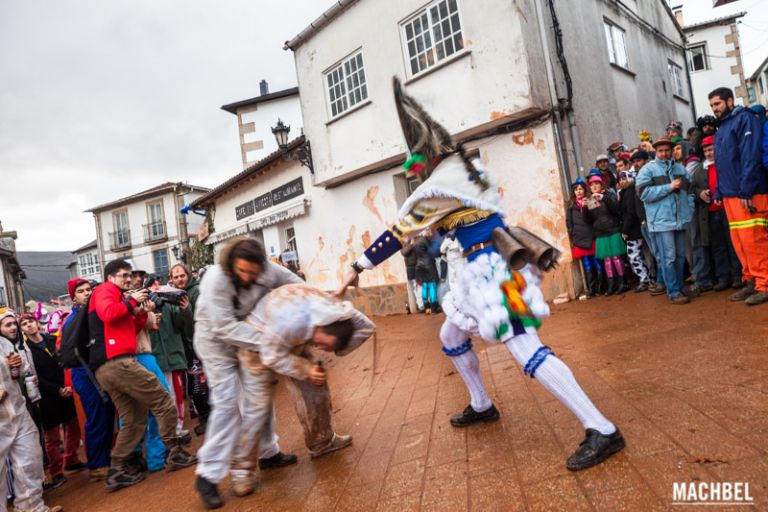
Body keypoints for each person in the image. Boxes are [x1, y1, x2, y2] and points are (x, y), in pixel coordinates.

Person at [337, 77, 624, 474]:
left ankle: (601, 428)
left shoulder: (439, 186)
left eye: (418, 165)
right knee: (451, 336)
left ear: (430, 159)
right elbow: (457, 220)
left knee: (526, 348)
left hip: (492, 271)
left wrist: (356, 268)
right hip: (487, 264)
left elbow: (397, 233)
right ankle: (481, 405)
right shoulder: (468, 170)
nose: (416, 173)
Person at [228, 284, 374, 499]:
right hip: (257, 346)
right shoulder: (292, 322)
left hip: (290, 340)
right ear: (319, 327)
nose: (323, 350)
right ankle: (241, 472)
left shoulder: (333, 310)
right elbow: (271, 356)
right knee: (257, 408)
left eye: (326, 348)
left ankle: (322, 442)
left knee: (317, 383)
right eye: (324, 345)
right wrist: (305, 369)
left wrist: (340, 348)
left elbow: (367, 326)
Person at [193, 237, 302, 509]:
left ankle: (268, 453)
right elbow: (224, 327)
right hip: (216, 343)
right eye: (242, 272)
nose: (247, 278)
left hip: (251, 339)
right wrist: (271, 340)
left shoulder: (268, 270)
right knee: (228, 404)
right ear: (231, 265)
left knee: (260, 397)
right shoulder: (215, 279)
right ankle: (207, 475)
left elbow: (298, 287)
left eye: (253, 273)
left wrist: (318, 305)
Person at [89, 259, 196, 491]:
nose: (128, 279)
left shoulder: (118, 295)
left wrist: (141, 313)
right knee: (163, 400)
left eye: (130, 275)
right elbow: (108, 314)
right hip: (117, 362)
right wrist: (130, 301)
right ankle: (173, 452)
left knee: (133, 419)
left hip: (109, 367)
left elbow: (128, 328)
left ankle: (117, 470)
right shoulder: (105, 291)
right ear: (110, 278)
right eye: (123, 275)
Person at [1, 309, 65, 512]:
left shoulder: (10, 345)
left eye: (14, 324)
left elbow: (20, 373)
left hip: (18, 410)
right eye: (7, 324)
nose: (12, 327)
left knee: (29, 459)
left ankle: (32, 508)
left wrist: (16, 368)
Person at [710, 87, 768, 305]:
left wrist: (746, 188)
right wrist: (719, 191)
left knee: (755, 241)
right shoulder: (723, 127)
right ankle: (751, 281)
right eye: (712, 105)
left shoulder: (746, 119)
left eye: (717, 104)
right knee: (741, 243)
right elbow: (724, 163)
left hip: (748, 193)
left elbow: (750, 155)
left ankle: (765, 284)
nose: (715, 109)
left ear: (730, 101)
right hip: (730, 194)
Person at [20, 314, 84, 489]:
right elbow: (35, 376)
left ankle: (72, 459)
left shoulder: (52, 339)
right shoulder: (26, 350)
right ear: (22, 330)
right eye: (24, 324)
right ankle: (56, 473)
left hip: (66, 388)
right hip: (47, 395)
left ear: (37, 323)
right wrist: (58, 390)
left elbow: (67, 360)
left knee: (73, 425)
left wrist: (68, 385)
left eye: (30, 322)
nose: (29, 326)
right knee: (52, 436)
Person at [64, 278, 114, 483]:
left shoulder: (92, 313)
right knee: (95, 418)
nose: (86, 293)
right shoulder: (72, 320)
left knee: (108, 414)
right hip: (83, 373)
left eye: (88, 290)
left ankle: (106, 459)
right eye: (81, 291)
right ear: (73, 296)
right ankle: (97, 465)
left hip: (98, 370)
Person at [636, 137, 695, 305]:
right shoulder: (648, 170)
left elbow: (690, 189)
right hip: (661, 222)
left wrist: (689, 208)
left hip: (680, 219)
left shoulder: (680, 168)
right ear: (656, 151)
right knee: (668, 257)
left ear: (671, 150)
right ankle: (673, 291)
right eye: (660, 151)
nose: (664, 153)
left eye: (667, 150)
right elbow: (643, 194)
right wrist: (669, 187)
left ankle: (679, 287)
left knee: (679, 256)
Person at [146, 277, 192, 439]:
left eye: (158, 283)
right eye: (152, 285)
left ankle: (177, 430)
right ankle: (165, 434)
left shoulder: (170, 303)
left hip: (171, 358)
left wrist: (185, 309)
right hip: (154, 359)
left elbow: (181, 324)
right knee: (160, 399)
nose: (157, 287)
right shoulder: (143, 306)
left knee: (176, 394)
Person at [169, 263, 210, 436]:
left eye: (182, 276)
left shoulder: (196, 292)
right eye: (176, 277)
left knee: (202, 384)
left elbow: (199, 321)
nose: (179, 279)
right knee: (195, 385)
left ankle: (209, 419)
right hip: (186, 348)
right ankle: (205, 417)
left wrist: (186, 311)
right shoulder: (172, 296)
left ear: (188, 275)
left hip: (200, 345)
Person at [701, 136, 743, 291]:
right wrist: (700, 192)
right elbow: (694, 186)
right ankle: (723, 277)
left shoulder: (724, 164)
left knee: (733, 244)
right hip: (711, 212)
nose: (708, 153)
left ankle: (738, 275)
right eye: (705, 150)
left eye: (710, 149)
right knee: (718, 246)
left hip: (727, 209)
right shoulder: (702, 168)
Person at [676, 141, 712, 296]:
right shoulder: (683, 164)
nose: (675, 151)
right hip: (687, 210)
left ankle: (703, 279)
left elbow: (684, 184)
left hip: (694, 209)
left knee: (697, 242)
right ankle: (699, 276)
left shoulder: (693, 163)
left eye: (678, 148)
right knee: (692, 244)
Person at [584, 174, 629, 295]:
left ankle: (622, 283)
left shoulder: (609, 195)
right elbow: (588, 220)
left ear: (601, 184)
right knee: (607, 260)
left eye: (596, 184)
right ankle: (611, 285)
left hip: (613, 230)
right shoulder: (591, 200)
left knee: (616, 257)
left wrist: (603, 198)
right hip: (600, 233)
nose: (594, 187)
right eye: (591, 185)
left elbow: (617, 209)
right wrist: (585, 208)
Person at [566, 178, 601, 297]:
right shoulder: (571, 206)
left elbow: (596, 217)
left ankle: (601, 287)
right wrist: (573, 235)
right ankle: (592, 289)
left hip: (592, 237)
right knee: (587, 264)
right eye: (576, 190)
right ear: (573, 192)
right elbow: (569, 223)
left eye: (581, 189)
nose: (579, 191)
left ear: (585, 190)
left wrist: (587, 205)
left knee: (597, 262)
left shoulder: (591, 201)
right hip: (580, 239)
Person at [617, 171, 651, 292]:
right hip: (633, 229)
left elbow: (630, 213)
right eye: (620, 179)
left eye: (624, 178)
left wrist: (625, 230)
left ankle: (645, 280)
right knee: (638, 256)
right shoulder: (625, 192)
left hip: (633, 230)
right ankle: (646, 279)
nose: (622, 181)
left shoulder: (630, 192)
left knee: (634, 256)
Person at [413, 233, 440, 314]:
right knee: (432, 285)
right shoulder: (424, 240)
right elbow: (431, 251)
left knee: (424, 286)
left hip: (419, 265)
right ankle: (434, 308)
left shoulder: (415, 242)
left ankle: (427, 308)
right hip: (428, 265)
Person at [401, 239, 424, 313]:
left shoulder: (416, 242)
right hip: (410, 268)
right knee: (415, 287)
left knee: (418, 286)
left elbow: (405, 252)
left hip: (415, 267)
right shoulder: (406, 245)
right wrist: (409, 244)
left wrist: (412, 244)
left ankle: (421, 305)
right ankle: (420, 304)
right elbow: (404, 252)